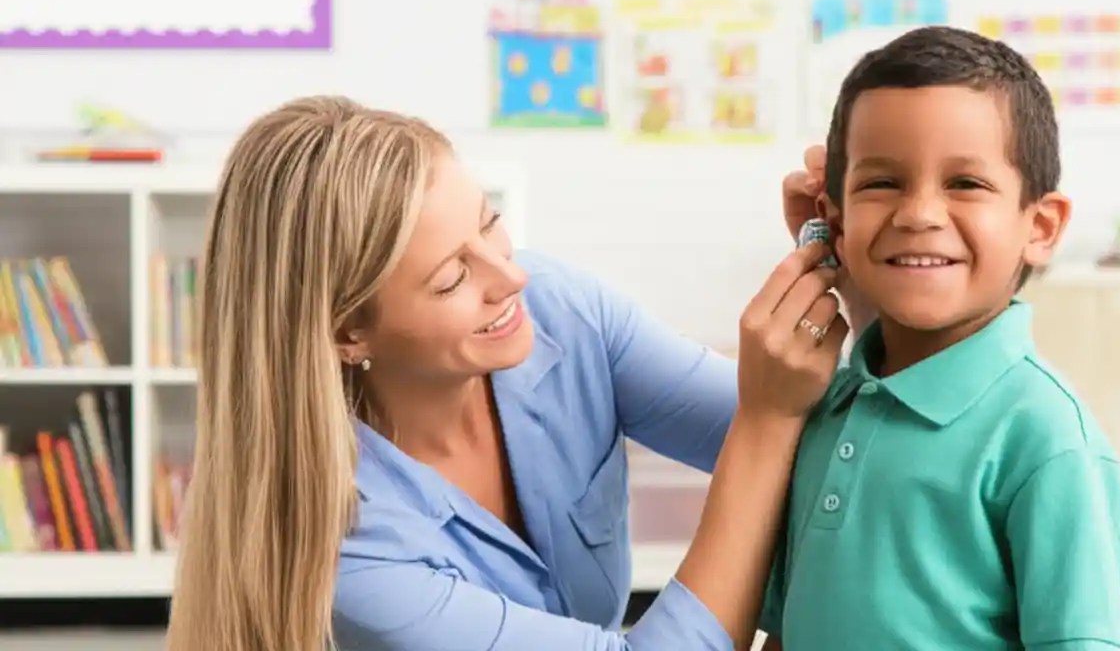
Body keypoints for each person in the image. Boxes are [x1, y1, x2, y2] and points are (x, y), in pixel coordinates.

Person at [163, 95, 849, 651]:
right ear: (347, 331)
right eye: (453, 277)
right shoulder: (351, 550)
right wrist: (765, 419)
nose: (511, 276)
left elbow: (835, 446)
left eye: (489, 226)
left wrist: (854, 272)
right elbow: (770, 428)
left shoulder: (557, 311)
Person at [759, 26, 1120, 650]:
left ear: (1040, 227)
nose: (918, 214)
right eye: (880, 183)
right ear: (834, 221)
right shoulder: (825, 407)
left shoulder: (1047, 439)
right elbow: (784, 629)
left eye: (966, 184)